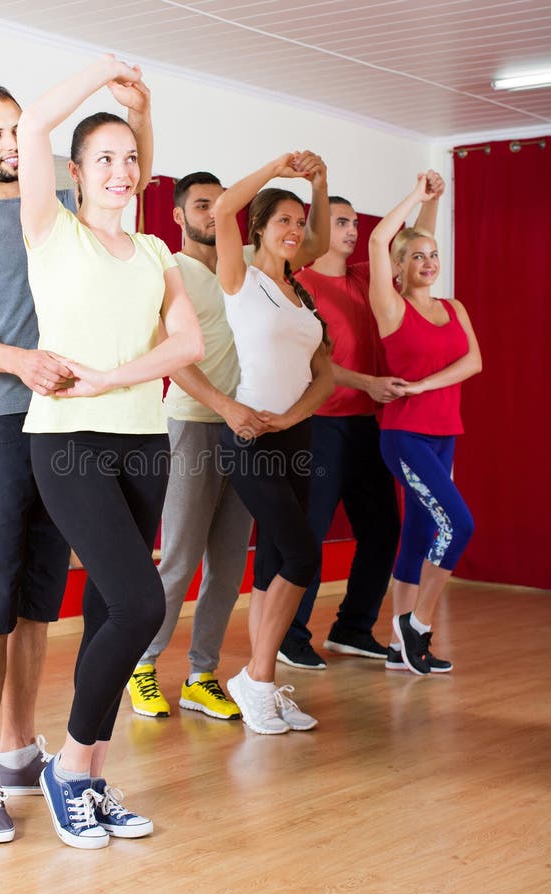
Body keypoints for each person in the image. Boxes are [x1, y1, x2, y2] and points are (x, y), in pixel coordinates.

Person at [0, 80, 120, 844]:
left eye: (18, 131)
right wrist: (21, 361)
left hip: (64, 429)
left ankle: (17, 751)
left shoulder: (58, 216)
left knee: (40, 601)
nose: (11, 144)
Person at [18, 55, 202, 849]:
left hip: (142, 441)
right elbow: (31, 124)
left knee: (105, 611)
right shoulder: (52, 234)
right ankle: (69, 769)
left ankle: (88, 776)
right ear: (76, 172)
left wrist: (110, 380)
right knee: (141, 604)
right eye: (105, 159)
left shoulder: (158, 253)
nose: (122, 171)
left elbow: (186, 341)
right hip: (64, 441)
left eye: (132, 158)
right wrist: (99, 73)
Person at [128, 166, 329, 720]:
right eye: (201, 206)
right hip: (195, 421)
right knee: (180, 555)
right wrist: (225, 407)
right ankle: (142, 665)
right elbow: (173, 361)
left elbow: (308, 242)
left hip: (250, 431)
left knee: (226, 564)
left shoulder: (250, 270)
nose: (213, 214)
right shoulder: (172, 273)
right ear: (179, 215)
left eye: (220, 206)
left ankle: (202, 673)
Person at [277, 178, 445, 670]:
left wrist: (431, 200)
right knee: (310, 535)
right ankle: (289, 635)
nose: (352, 230)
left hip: (368, 426)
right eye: (342, 222)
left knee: (382, 530)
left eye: (354, 222)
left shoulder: (364, 278)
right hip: (320, 426)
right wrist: (367, 381)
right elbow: (310, 359)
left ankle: (352, 627)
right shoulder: (301, 284)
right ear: (319, 229)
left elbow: (415, 245)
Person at [212, 154, 334, 735]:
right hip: (251, 437)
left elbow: (325, 375)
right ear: (259, 226)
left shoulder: (301, 294)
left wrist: (317, 183)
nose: (293, 231)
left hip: (294, 435)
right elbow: (223, 207)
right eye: (282, 220)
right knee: (306, 556)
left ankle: (257, 682)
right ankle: (258, 679)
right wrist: (279, 166)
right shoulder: (242, 279)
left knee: (278, 564)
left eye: (299, 221)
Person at [368, 173, 481, 675]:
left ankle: (399, 646)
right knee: (457, 524)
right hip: (405, 435)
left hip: (443, 433)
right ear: (398, 267)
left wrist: (421, 386)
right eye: (416, 256)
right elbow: (377, 239)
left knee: (417, 533)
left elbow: (473, 363)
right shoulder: (390, 308)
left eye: (433, 255)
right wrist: (416, 195)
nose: (428, 263)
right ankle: (418, 623)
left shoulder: (453, 308)